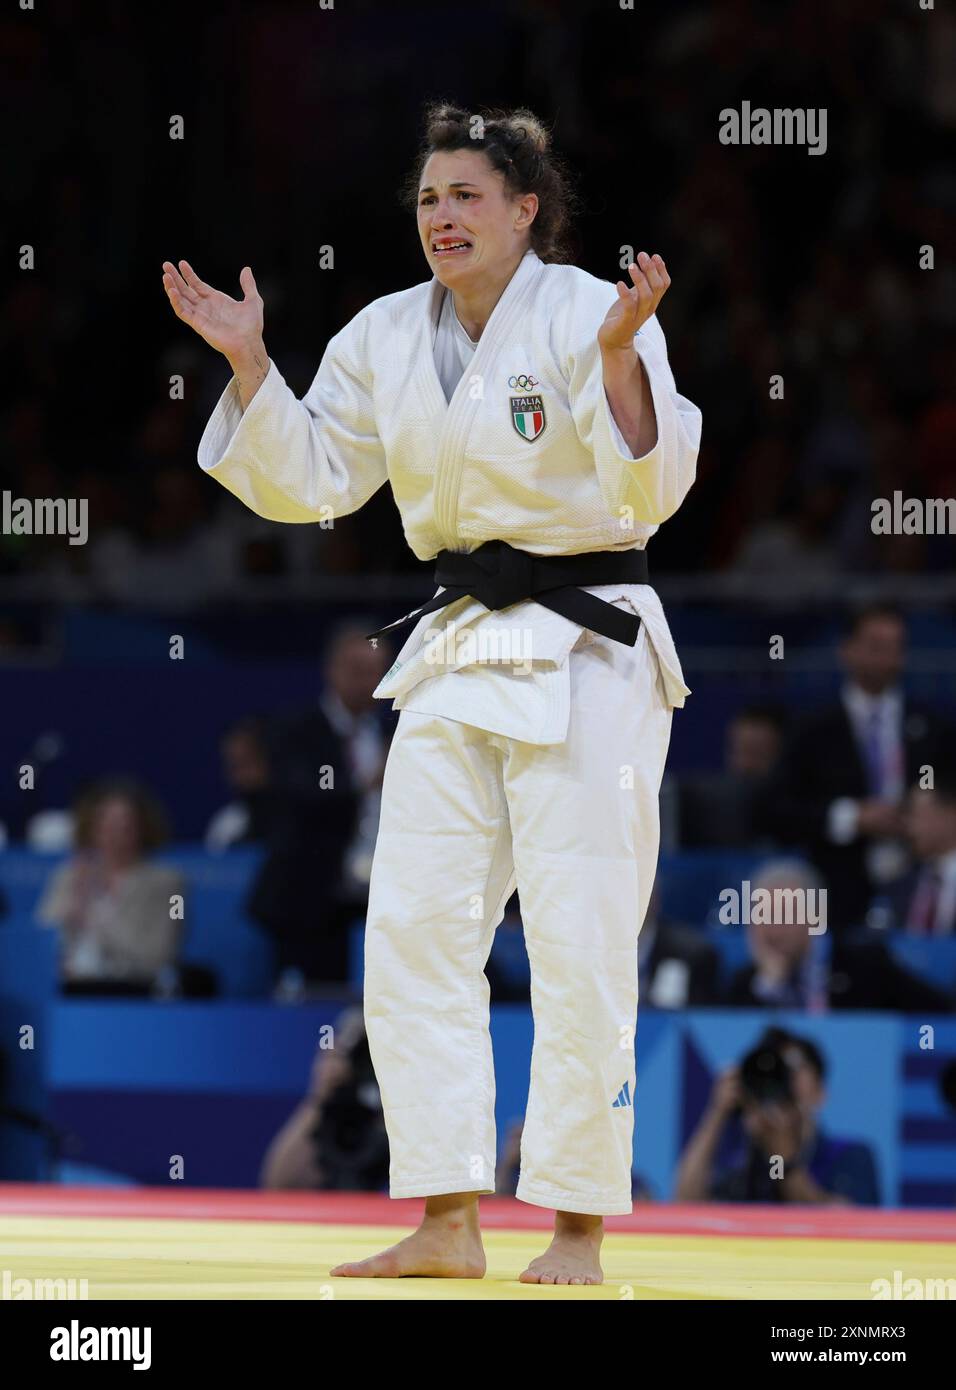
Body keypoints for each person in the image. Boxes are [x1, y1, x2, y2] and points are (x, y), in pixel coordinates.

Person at [164, 103, 701, 1285]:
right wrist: (254, 366)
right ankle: (448, 1216)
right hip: (458, 650)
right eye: (426, 199)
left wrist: (618, 359)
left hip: (587, 652)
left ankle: (573, 1227)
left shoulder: (587, 313)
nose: (441, 217)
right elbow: (313, 483)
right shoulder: (381, 334)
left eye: (465, 196)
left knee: (578, 938)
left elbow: (649, 492)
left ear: (524, 211)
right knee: (410, 932)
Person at [763, 605, 955, 928]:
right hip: (834, 888)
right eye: (876, 647)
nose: (887, 658)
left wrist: (913, 816)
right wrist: (851, 817)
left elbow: (946, 795)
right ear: (847, 650)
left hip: (919, 889)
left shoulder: (933, 728)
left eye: (896, 648)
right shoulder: (812, 729)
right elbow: (774, 810)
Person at [675, 1029, 880, 1206]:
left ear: (819, 1092)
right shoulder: (747, 1169)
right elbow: (685, 1203)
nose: (785, 1081)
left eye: (793, 1069)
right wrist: (717, 1113)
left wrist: (781, 1156)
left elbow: (842, 1223)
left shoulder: (849, 1156)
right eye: (777, 1072)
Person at [722, 859, 952, 1012]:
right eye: (762, 917)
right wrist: (770, 987)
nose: (772, 931)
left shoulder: (866, 967)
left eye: (782, 916)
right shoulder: (745, 985)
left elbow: (939, 1011)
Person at [35, 778, 183, 993]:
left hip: (131, 991)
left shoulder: (171, 885)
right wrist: (70, 910)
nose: (113, 833)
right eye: (104, 822)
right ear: (91, 827)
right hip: (67, 987)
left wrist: (100, 926)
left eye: (125, 824)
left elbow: (164, 952)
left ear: (143, 828)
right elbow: (41, 933)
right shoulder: (68, 875)